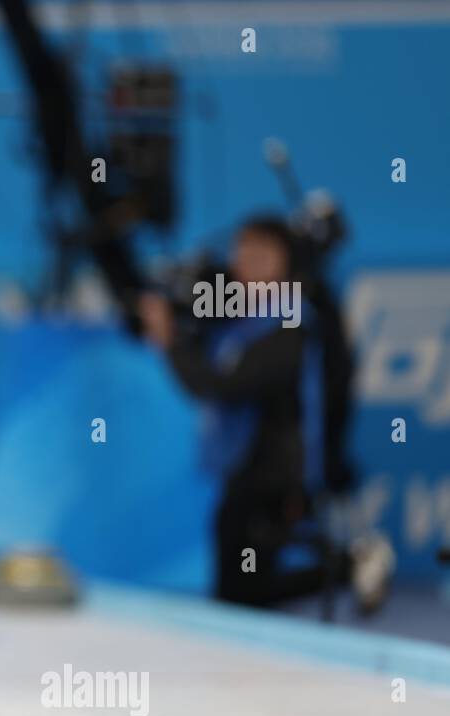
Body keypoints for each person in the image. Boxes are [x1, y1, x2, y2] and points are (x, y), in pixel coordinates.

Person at [139, 216, 393, 612]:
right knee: (236, 596)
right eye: (244, 255)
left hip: (273, 479)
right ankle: (347, 565)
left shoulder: (290, 323)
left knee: (243, 595)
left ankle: (347, 565)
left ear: (285, 264)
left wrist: (170, 341)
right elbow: (192, 324)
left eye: (262, 257)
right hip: (240, 474)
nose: (248, 267)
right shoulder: (238, 317)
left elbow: (220, 386)